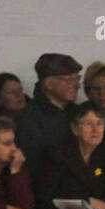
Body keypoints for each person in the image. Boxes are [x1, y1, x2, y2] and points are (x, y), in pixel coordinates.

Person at [36, 100, 105, 209]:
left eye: (99, 124)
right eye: (89, 124)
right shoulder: (57, 153)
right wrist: (87, 202)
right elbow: (46, 196)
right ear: (75, 129)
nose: (95, 130)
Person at [13, 53, 81, 184]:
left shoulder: (78, 113)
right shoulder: (28, 120)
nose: (77, 85)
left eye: (77, 78)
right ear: (49, 83)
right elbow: (32, 167)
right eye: (69, 80)